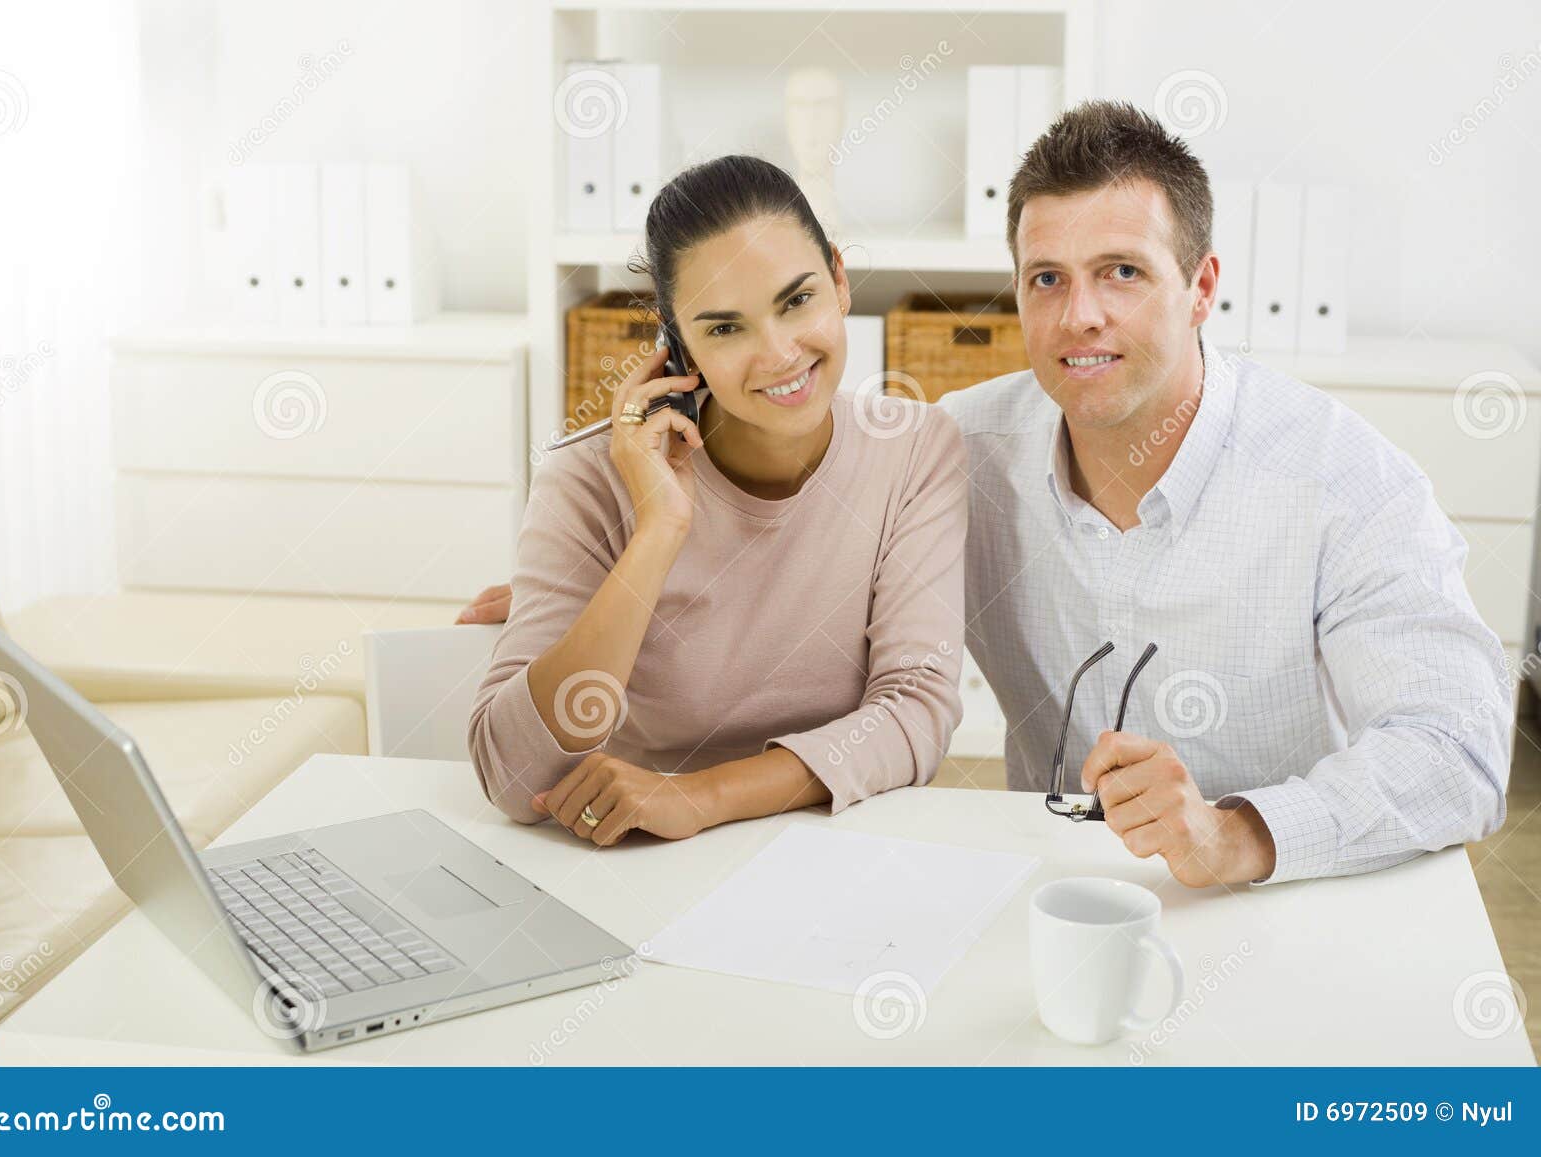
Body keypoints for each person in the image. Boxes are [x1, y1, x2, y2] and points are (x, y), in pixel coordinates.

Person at [465, 104, 1513, 888]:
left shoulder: (1343, 478)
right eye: (1045, 278)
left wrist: (1233, 832)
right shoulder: (958, 444)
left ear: (1201, 287)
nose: (1079, 317)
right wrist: (606, 577)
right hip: (1045, 888)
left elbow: (1460, 752)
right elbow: (796, 533)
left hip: (1283, 894)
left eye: (1123, 273)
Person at [466, 155, 968, 847]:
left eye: (796, 301)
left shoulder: (915, 451)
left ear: (840, 281)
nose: (780, 354)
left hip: (833, 846)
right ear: (678, 350)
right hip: (638, 861)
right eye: (726, 328)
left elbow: (916, 709)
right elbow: (516, 778)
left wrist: (702, 796)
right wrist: (657, 531)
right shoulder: (587, 478)